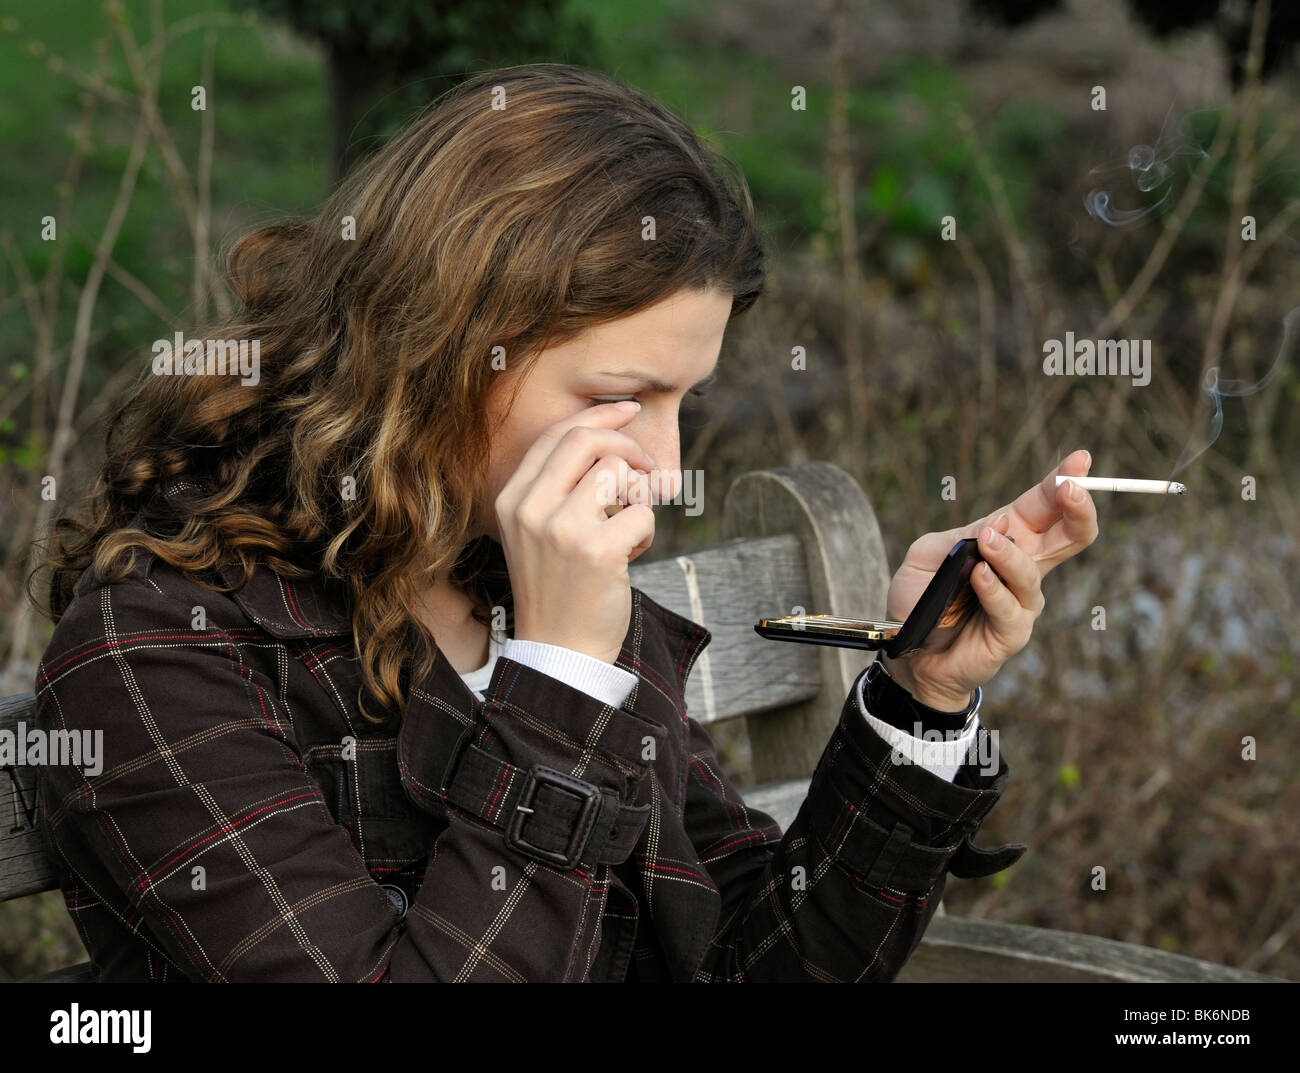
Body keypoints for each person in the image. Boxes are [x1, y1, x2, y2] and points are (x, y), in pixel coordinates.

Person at [31, 63, 1097, 982]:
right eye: (616, 395)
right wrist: (556, 685)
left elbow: (749, 962)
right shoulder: (159, 649)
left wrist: (921, 695)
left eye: (684, 400)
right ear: (445, 353)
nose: (666, 468)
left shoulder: (524, 578)